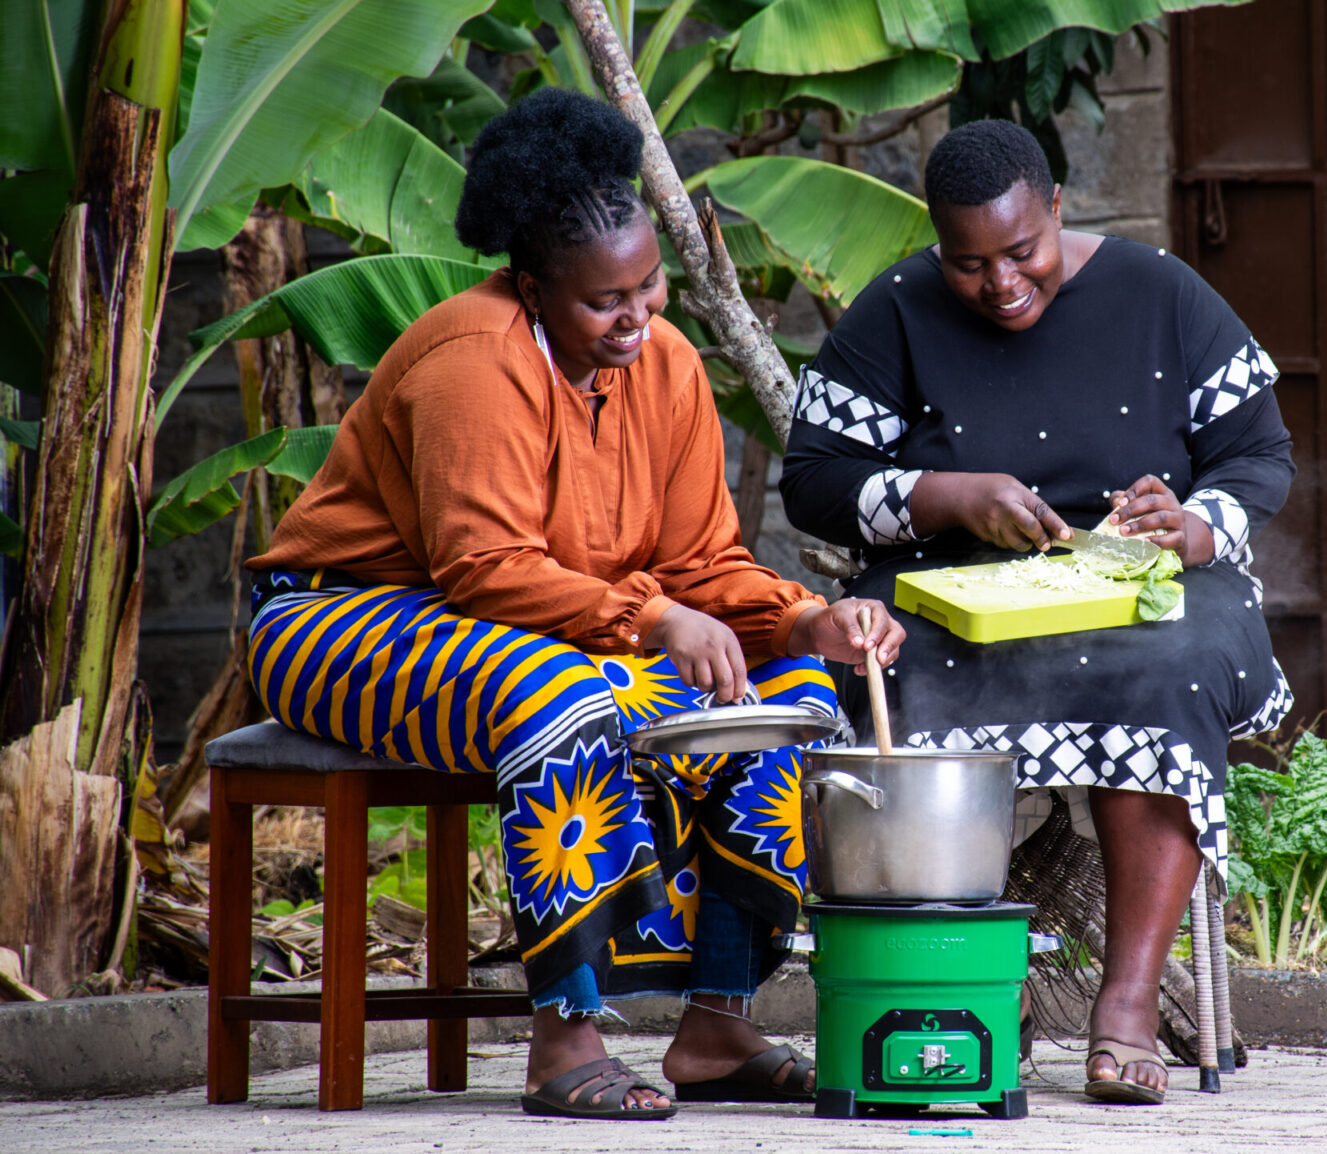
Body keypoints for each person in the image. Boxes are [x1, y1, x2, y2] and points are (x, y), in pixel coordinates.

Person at [245, 88, 905, 1119]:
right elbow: (484, 567)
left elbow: (700, 561)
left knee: (784, 691)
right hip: (340, 618)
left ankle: (716, 1017)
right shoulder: (473, 358)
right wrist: (653, 621)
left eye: (651, 286)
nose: (638, 316)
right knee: (566, 695)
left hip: (552, 624)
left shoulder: (671, 365)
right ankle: (565, 1034)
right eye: (605, 301)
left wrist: (805, 617)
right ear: (532, 286)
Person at [780, 118, 1294, 1105]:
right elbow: (813, 479)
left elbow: (1259, 453)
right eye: (968, 263)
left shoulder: (1162, 293)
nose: (1000, 283)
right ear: (936, 243)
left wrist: (1188, 525)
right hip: (945, 587)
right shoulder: (895, 309)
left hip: (1158, 591)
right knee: (881, 671)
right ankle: (958, 994)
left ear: (1057, 207)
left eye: (1022, 251)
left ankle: (1127, 1006)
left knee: (1163, 676)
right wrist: (942, 496)